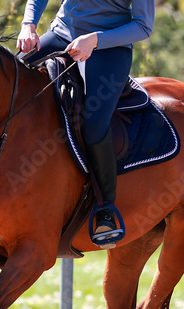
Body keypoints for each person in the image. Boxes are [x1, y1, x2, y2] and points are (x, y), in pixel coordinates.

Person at [17, 0, 154, 247]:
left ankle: (106, 209)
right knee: (9, 86)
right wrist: (29, 24)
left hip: (109, 48)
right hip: (60, 35)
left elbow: (143, 27)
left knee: (93, 123)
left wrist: (95, 40)